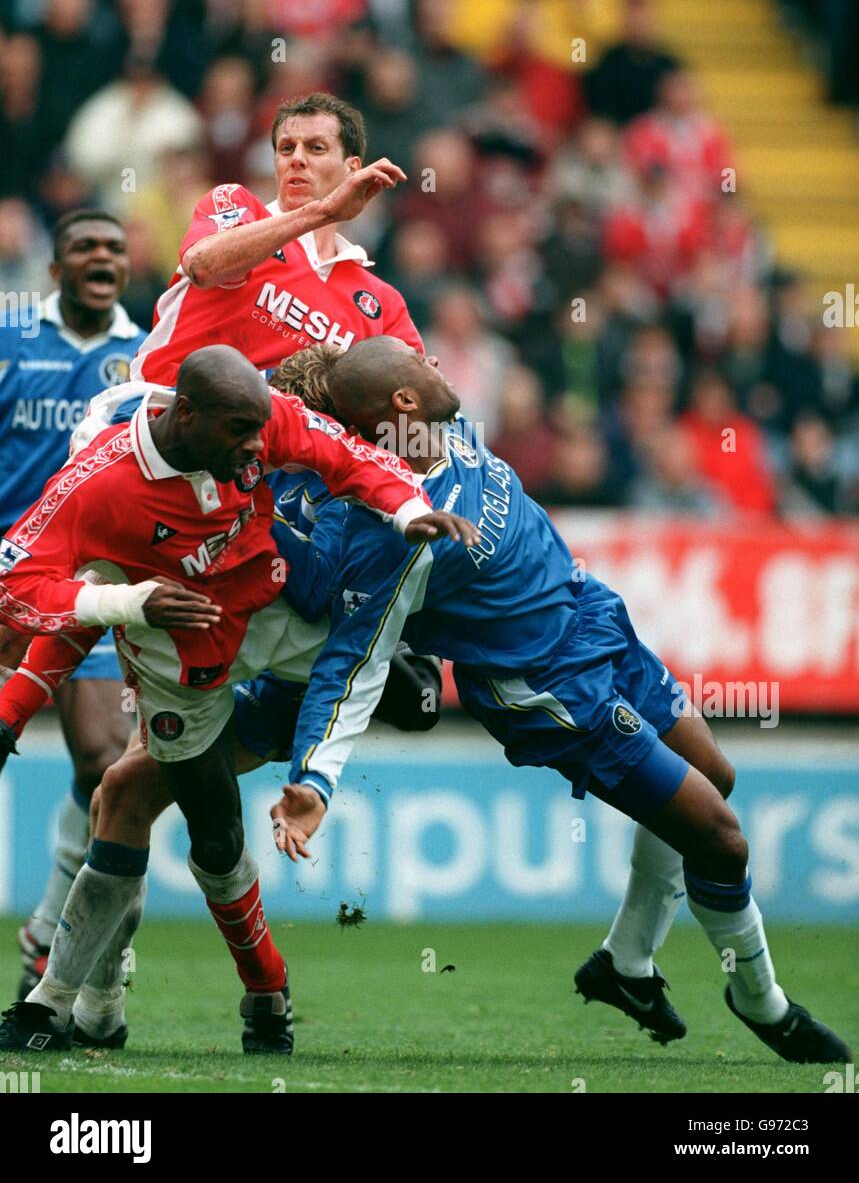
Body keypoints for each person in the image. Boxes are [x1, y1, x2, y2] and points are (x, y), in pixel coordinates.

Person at [269, 336, 849, 1065]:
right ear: (400, 405)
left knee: (718, 779)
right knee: (720, 836)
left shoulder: (442, 430)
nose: (438, 362)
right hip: (547, 686)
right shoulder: (395, 535)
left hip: (590, 619)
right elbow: (352, 663)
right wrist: (316, 778)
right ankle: (763, 1003)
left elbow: (316, 383)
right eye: (420, 366)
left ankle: (626, 965)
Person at [0, 344, 477, 1054]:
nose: (257, 447)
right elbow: (19, 590)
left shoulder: (256, 415)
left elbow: (347, 455)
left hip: (276, 611)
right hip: (178, 656)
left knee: (137, 794)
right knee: (202, 828)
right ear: (184, 415)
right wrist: (128, 601)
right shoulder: (95, 484)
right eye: (239, 434)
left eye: (261, 430)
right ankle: (212, 991)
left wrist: (408, 510)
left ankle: (64, 1002)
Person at [0, 208, 145, 998]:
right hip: (4, 576)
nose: (101, 256)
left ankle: (49, 935)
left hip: (87, 582)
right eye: (84, 247)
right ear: (55, 269)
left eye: (114, 248)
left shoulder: (148, 354)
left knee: (101, 759)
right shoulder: (11, 340)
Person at [130, 90, 421, 387]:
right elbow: (202, 265)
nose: (296, 159)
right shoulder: (235, 204)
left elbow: (410, 397)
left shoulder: (384, 304)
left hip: (281, 431)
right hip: (168, 410)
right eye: (286, 149)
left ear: (353, 169)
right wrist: (323, 211)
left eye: (316, 148)